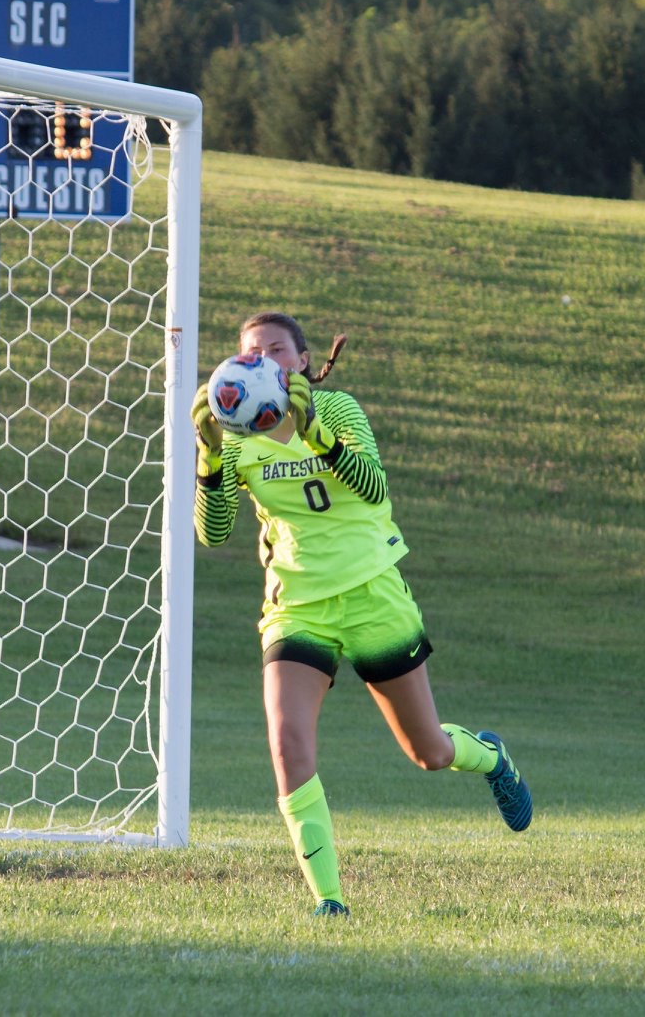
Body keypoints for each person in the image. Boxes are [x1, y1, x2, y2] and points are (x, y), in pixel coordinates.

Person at [192, 311, 532, 918]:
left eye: (276, 350)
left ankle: (491, 757)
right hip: (297, 606)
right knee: (288, 744)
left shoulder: (340, 410)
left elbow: (374, 487)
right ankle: (330, 901)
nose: (263, 359)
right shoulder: (235, 438)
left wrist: (316, 431)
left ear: (300, 362)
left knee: (427, 751)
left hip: (373, 592)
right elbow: (213, 534)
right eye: (251, 352)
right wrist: (209, 455)